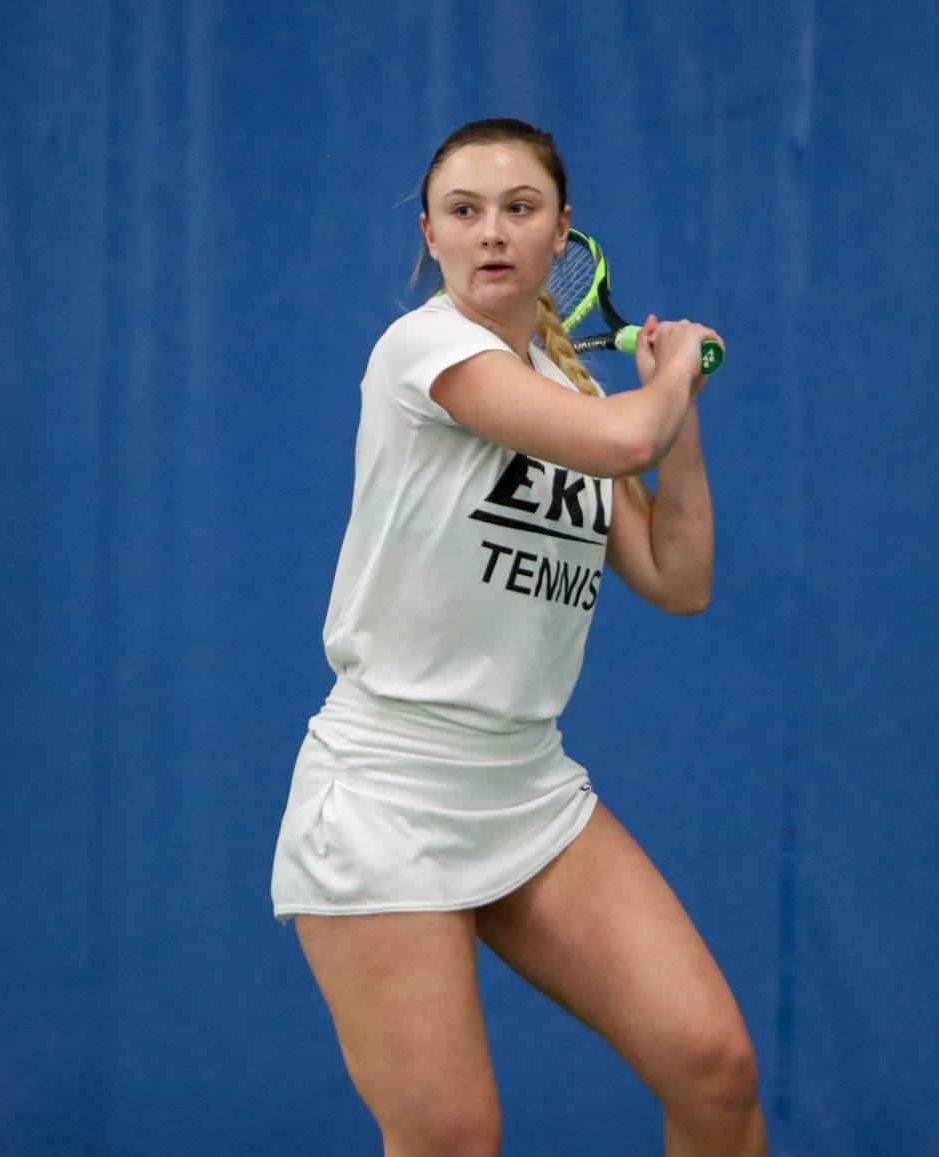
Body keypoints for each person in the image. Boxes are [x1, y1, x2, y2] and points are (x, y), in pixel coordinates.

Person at [271, 118, 765, 1157]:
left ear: (561, 235)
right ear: (432, 236)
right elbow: (625, 435)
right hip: (386, 795)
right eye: (464, 211)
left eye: (519, 208)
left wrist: (681, 411)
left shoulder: (569, 383)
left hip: (527, 789)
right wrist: (668, 379)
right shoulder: (424, 348)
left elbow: (676, 578)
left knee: (713, 1067)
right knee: (452, 1141)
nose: (491, 231)